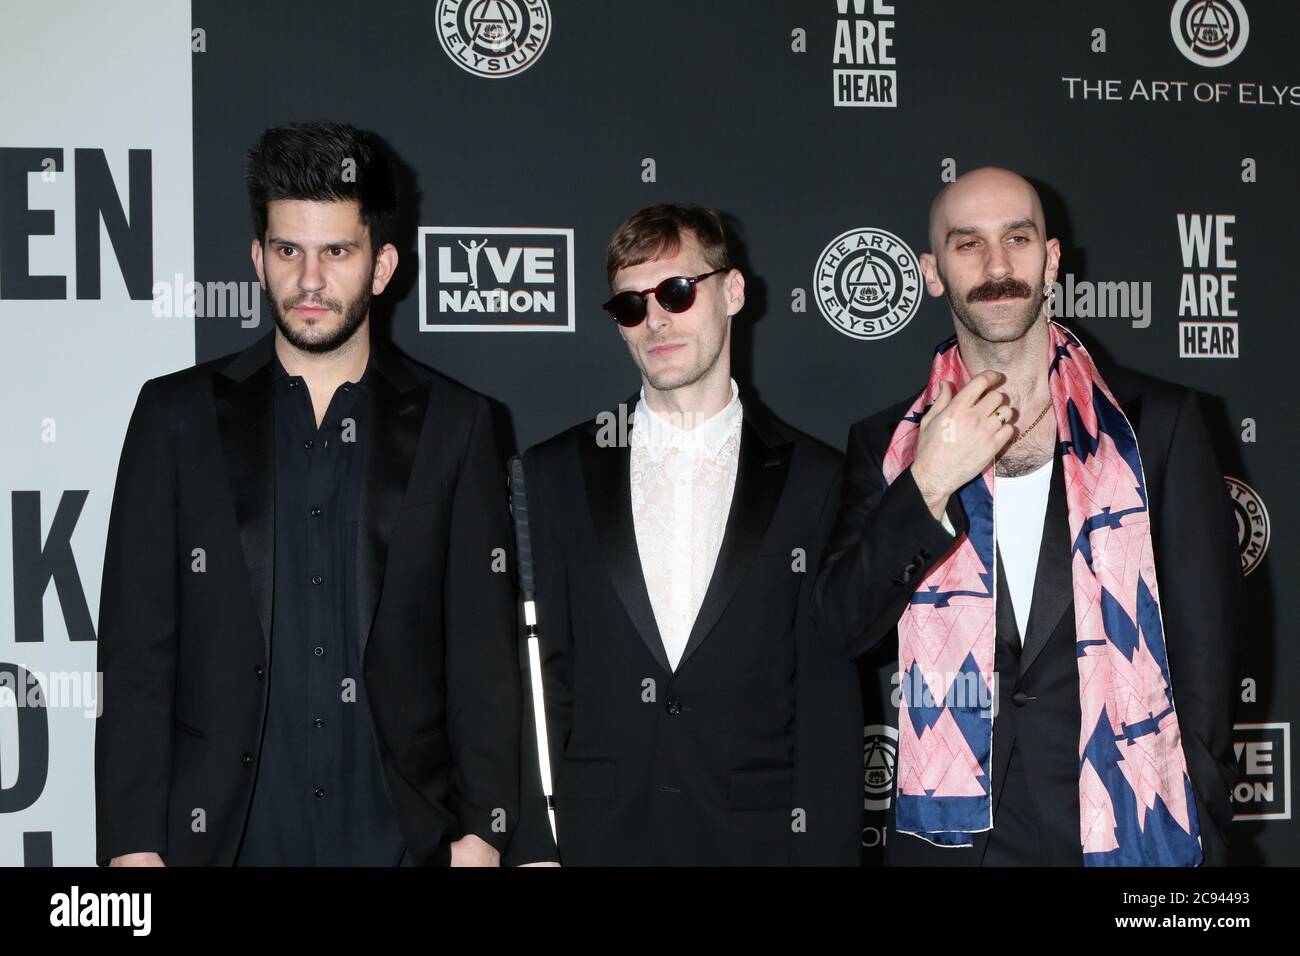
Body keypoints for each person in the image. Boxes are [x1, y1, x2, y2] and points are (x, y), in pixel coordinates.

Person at [95, 121, 520, 866]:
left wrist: (483, 835)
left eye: (337, 252)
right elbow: (136, 652)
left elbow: (483, 654)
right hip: (221, 843)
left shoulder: (458, 426)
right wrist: (133, 848)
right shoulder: (175, 417)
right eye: (288, 251)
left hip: (404, 843)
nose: (311, 280)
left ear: (382, 266)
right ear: (258, 259)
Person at [814, 167, 1243, 866]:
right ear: (931, 273)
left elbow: (1207, 647)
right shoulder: (889, 444)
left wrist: (1196, 800)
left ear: (1050, 259)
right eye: (967, 244)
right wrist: (927, 482)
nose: (997, 267)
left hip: (1131, 822)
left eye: (1017, 238)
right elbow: (841, 630)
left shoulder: (1153, 426)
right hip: (960, 839)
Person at [506, 203, 862, 866]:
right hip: (593, 843)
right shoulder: (554, 472)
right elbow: (535, 674)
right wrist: (532, 845)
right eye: (630, 306)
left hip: (757, 845)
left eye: (675, 291)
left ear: (733, 291)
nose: (656, 321)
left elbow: (826, 700)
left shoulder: (815, 480)